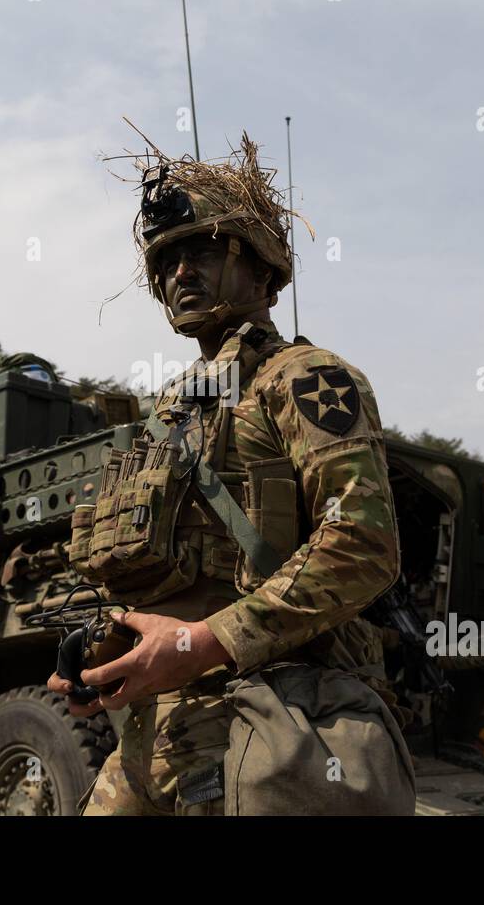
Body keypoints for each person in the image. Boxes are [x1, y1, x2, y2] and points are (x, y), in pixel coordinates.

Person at [51, 136, 414, 815]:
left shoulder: (303, 379)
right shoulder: (172, 411)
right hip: (158, 732)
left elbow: (362, 545)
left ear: (260, 267)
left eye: (203, 251)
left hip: (276, 719)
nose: (180, 272)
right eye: (167, 261)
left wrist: (203, 642)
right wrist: (107, 652)